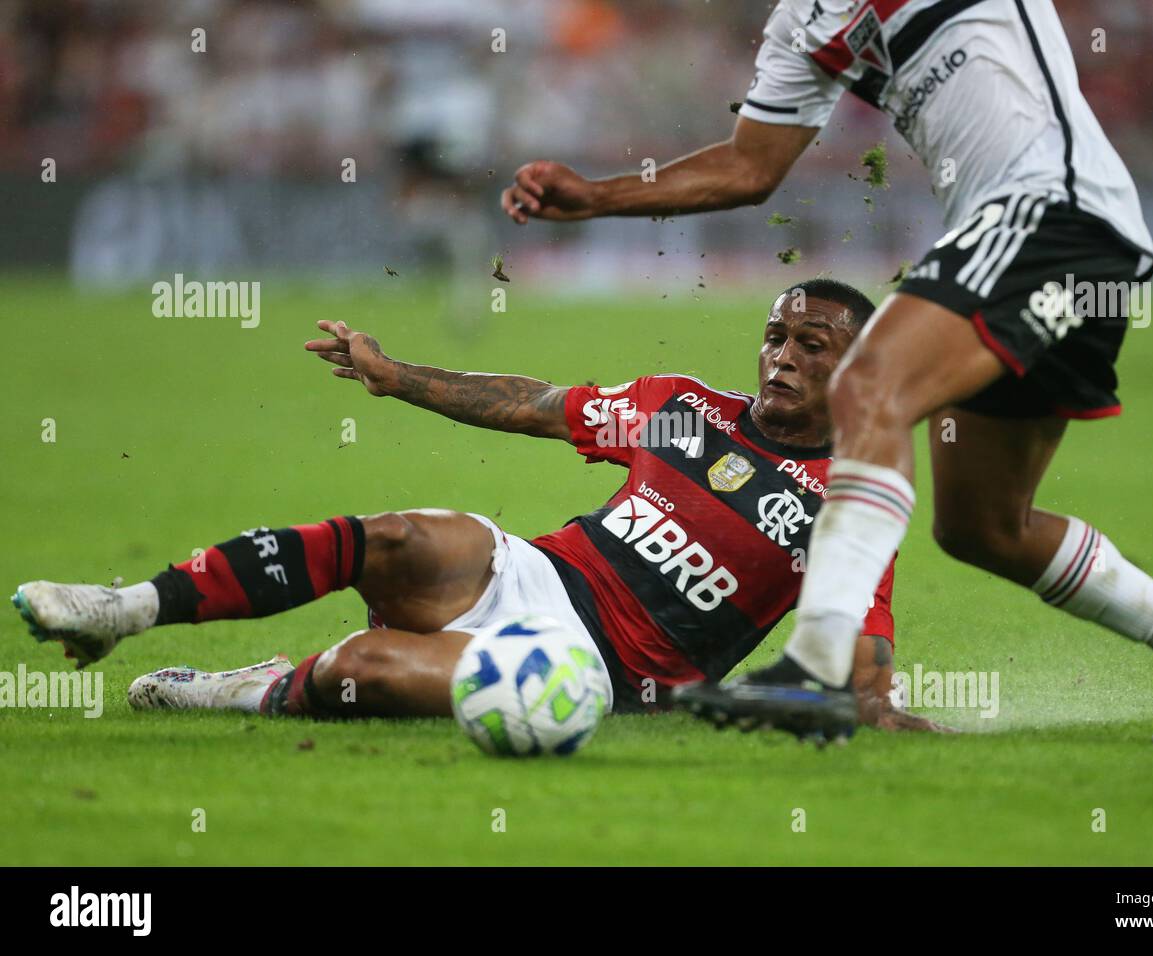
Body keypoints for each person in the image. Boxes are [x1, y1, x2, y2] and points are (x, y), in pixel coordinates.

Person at [498, 0, 1153, 742]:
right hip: (1026, 240)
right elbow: (750, 166)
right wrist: (597, 197)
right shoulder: (804, 19)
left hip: (1053, 208)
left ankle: (816, 669)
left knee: (866, 386)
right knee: (984, 526)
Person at [14, 280, 939, 731]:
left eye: (811, 344)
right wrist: (394, 376)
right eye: (775, 335)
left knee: (370, 670)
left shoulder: (854, 504)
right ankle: (123, 609)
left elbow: (865, 667)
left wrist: (883, 712)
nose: (781, 355)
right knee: (393, 537)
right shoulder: (682, 410)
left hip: (595, 667)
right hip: (534, 569)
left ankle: (242, 688)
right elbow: (536, 404)